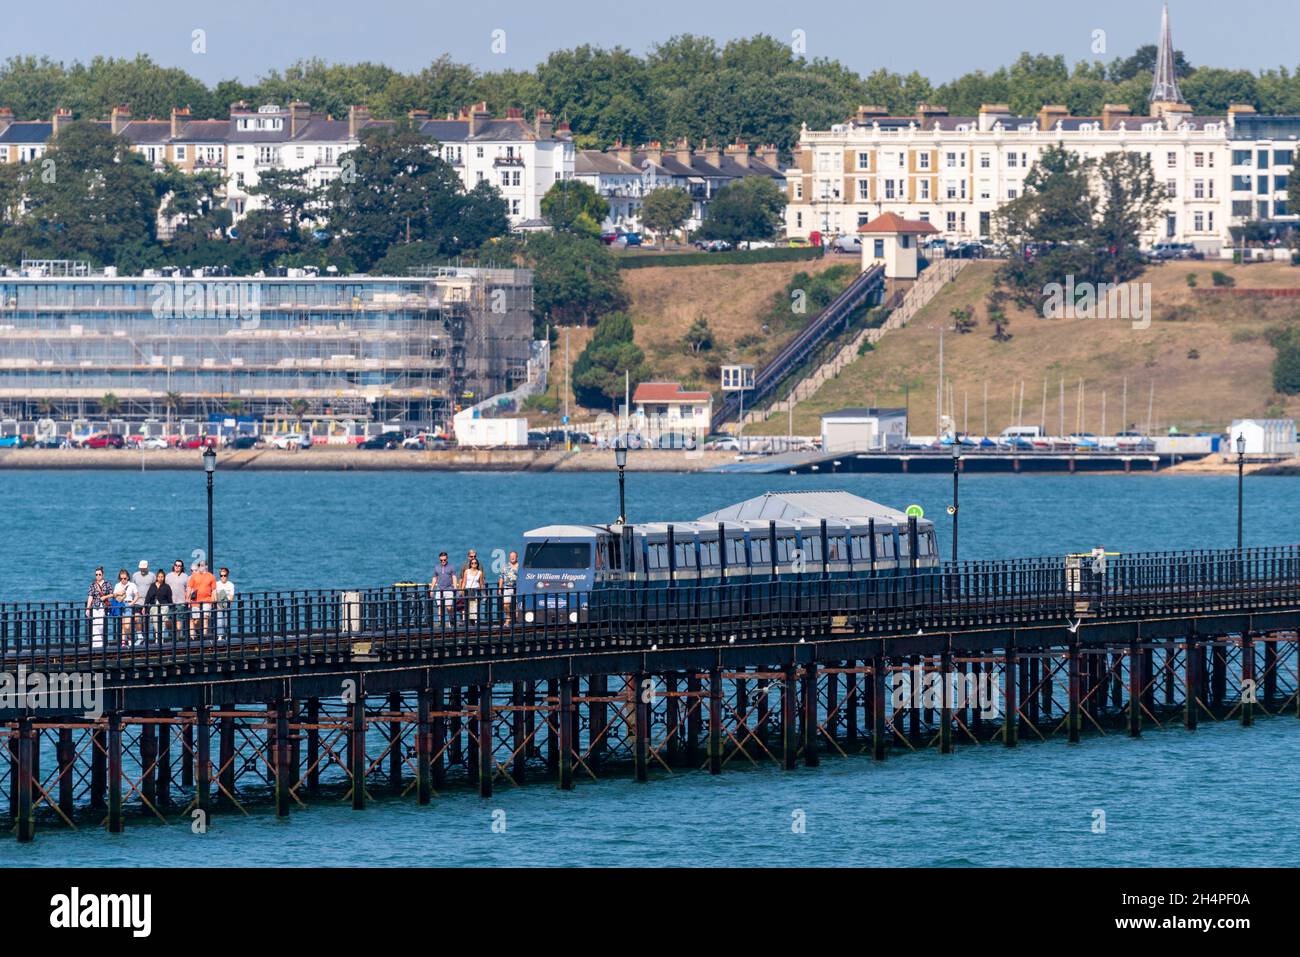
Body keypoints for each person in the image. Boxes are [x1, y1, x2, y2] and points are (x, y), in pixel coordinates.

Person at [187, 560, 217, 639]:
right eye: (199, 565)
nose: (201, 567)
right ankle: (198, 633)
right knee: (195, 620)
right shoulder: (194, 576)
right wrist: (187, 599)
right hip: (195, 601)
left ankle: (203, 636)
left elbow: (214, 589)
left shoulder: (211, 576)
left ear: (206, 566)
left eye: (203, 565)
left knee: (205, 618)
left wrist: (215, 600)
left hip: (207, 600)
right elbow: (190, 587)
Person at [85, 566, 113, 648]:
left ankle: (102, 642)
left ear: (103, 575)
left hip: (104, 607)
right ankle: (97, 644)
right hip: (96, 607)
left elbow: (112, 594)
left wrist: (105, 597)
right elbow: (90, 597)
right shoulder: (93, 585)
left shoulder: (107, 584)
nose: (98, 576)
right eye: (96, 574)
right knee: (95, 625)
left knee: (102, 625)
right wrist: (87, 608)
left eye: (99, 574)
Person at [111, 568, 139, 645]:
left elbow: (137, 595)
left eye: (124, 578)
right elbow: (115, 596)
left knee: (127, 626)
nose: (123, 580)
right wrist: (120, 597)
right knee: (122, 625)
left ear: (128, 577)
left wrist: (132, 603)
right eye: (121, 578)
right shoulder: (117, 585)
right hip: (120, 605)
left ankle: (130, 638)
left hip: (128, 605)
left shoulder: (132, 585)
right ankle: (123, 642)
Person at [429, 552, 457, 624]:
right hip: (439, 590)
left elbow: (454, 577)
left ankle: (452, 621)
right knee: (440, 607)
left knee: (449, 607)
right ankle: (441, 623)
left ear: (447, 559)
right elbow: (434, 578)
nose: (443, 561)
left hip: (449, 589)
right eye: (441, 560)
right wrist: (432, 589)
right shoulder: (437, 567)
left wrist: (455, 588)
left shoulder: (451, 567)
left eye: (444, 560)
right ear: (439, 559)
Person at [143, 569, 173, 638]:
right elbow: (148, 596)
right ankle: (157, 638)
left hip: (164, 606)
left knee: (162, 623)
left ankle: (160, 640)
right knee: (155, 623)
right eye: (159, 577)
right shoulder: (152, 586)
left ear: (164, 577)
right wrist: (145, 606)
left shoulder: (167, 587)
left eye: (162, 577)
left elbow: (169, 599)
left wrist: (171, 608)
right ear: (156, 577)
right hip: (154, 606)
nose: (160, 578)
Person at [165, 559, 190, 640]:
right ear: (173, 566)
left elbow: (189, 589)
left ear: (182, 567)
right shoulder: (168, 576)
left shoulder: (185, 576)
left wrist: (187, 600)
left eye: (179, 566)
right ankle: (172, 636)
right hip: (170, 603)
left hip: (181, 603)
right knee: (168, 622)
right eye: (176, 565)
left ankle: (177, 641)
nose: (177, 567)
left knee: (179, 625)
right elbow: (164, 588)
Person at [130, 559, 153, 638]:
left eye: (144, 568)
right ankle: (140, 636)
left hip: (148, 602)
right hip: (137, 601)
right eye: (141, 568)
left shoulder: (152, 576)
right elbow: (131, 588)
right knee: (137, 619)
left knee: (145, 621)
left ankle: (146, 637)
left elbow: (155, 588)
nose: (142, 569)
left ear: (147, 567)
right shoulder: (135, 575)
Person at [461, 555, 485, 622]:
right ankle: (468, 621)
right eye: (472, 563)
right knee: (468, 606)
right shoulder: (467, 571)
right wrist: (462, 590)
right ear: (470, 564)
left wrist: (483, 593)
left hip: (476, 590)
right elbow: (464, 582)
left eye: (475, 563)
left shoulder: (480, 572)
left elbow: (481, 583)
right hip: (468, 590)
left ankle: (474, 622)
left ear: (477, 564)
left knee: (474, 606)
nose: (474, 564)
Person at [214, 567, 235, 640]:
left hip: (227, 605)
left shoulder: (231, 585)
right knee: (219, 621)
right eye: (221, 575)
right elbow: (215, 595)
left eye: (224, 575)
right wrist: (217, 604)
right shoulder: (216, 584)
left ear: (227, 575)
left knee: (226, 622)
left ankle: (227, 635)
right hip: (219, 605)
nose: (223, 577)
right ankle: (220, 636)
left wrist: (229, 604)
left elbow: (232, 596)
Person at [500, 550, 519, 621]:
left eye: (514, 556)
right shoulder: (505, 566)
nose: (512, 557)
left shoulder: (520, 566)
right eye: (511, 556)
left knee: (518, 604)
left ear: (517, 557)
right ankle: (508, 618)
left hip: (518, 588)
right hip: (507, 587)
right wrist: (500, 588)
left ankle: (517, 619)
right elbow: (501, 577)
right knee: (506, 604)